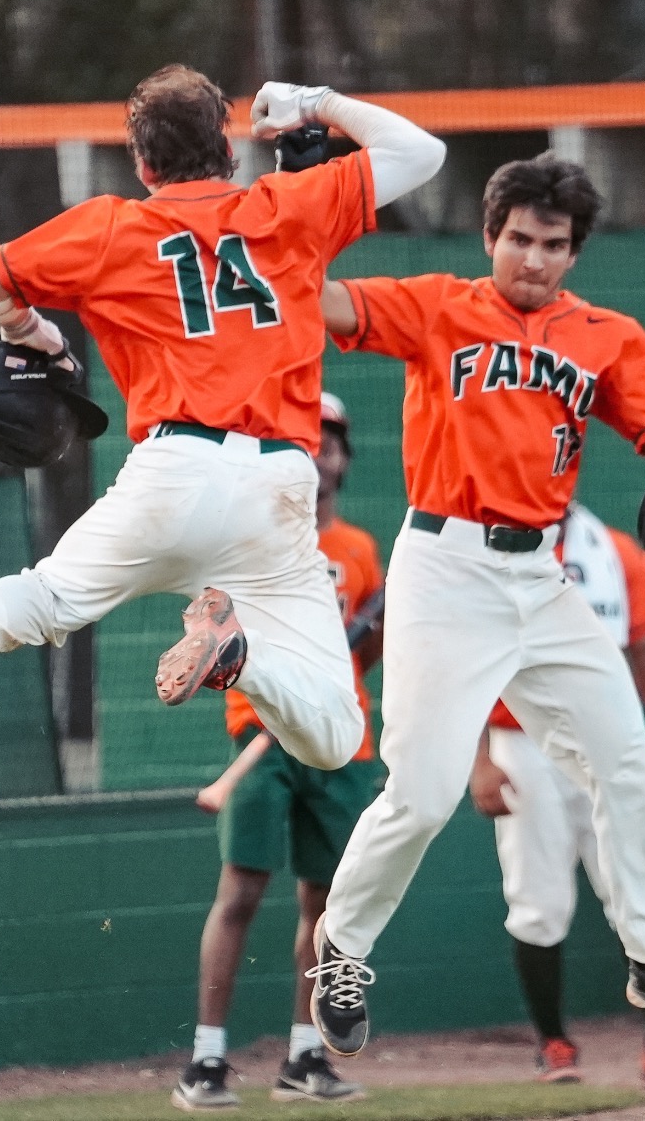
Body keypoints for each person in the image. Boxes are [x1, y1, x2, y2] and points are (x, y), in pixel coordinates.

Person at [0, 68, 444, 782]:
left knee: (47, 597)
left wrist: (37, 337)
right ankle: (239, 658)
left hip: (173, 470)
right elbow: (422, 153)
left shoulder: (115, 226)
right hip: (276, 487)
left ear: (143, 165)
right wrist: (315, 105)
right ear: (230, 155)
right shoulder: (289, 205)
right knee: (333, 736)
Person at [305, 156, 645, 1071]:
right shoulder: (440, 305)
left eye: (553, 244)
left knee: (625, 758)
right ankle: (342, 953)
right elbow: (329, 307)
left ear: (574, 253)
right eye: (518, 238)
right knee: (424, 792)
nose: (534, 258)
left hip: (541, 575)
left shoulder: (606, 337)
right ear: (490, 237)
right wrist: (296, 221)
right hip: (443, 566)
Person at [175, 395, 382, 1110]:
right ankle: (206, 1059)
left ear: (343, 459)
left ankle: (304, 1055)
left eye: (332, 441)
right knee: (241, 892)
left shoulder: (359, 550)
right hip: (258, 732)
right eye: (309, 439)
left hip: (339, 744)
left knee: (325, 906)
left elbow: (373, 645)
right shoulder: (253, 545)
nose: (321, 453)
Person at [467, 501, 645, 1089]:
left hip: (607, 736)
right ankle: (552, 1040)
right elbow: (464, 659)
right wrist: (477, 760)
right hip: (519, 740)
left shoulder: (613, 547)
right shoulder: (486, 544)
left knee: (635, 887)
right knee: (538, 901)